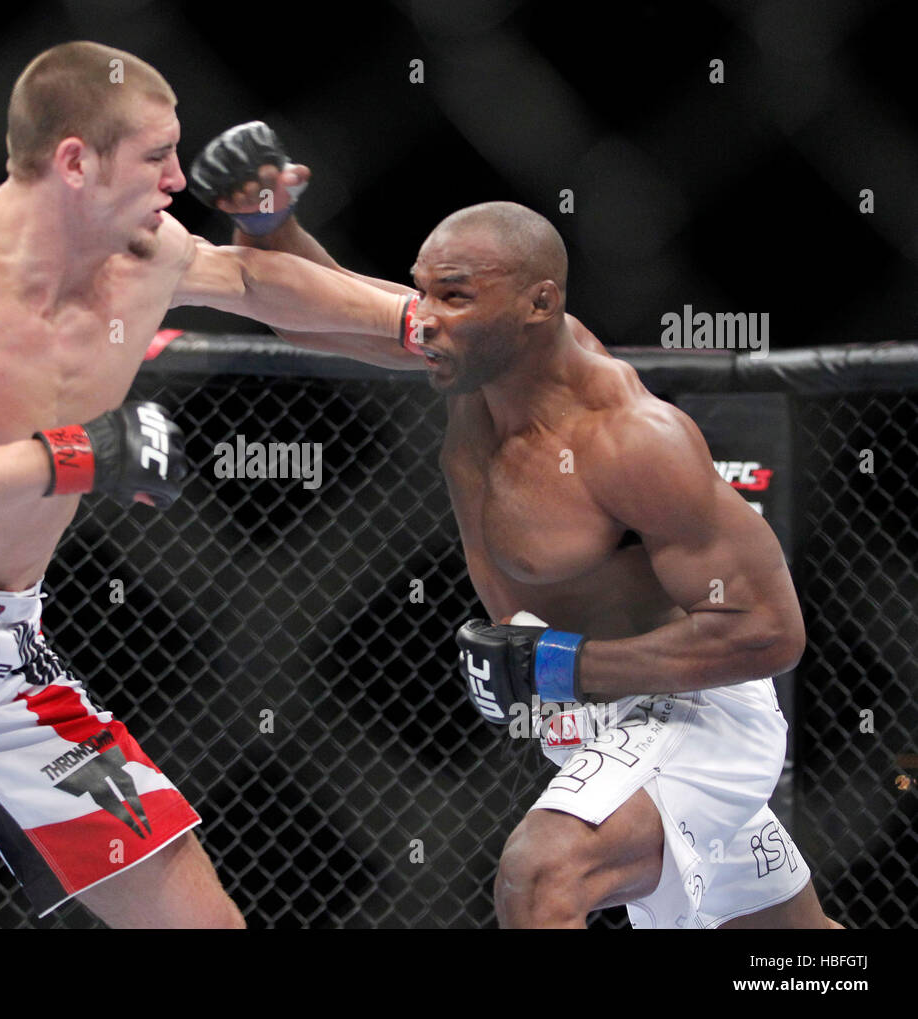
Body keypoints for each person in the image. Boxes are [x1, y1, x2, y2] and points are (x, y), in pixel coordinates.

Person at [0, 45, 418, 929]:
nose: (180, 179)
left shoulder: (150, 257)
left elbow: (283, 291)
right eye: (156, 156)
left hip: (6, 658)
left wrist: (423, 323)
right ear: (76, 161)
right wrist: (73, 455)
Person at [188, 122, 841, 929]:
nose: (424, 316)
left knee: (542, 872)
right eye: (421, 289)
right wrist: (268, 226)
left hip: (688, 714)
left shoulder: (631, 439)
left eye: (453, 294)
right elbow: (325, 315)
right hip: (592, 720)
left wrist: (566, 664)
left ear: (539, 302)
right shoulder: (471, 360)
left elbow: (770, 634)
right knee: (799, 950)